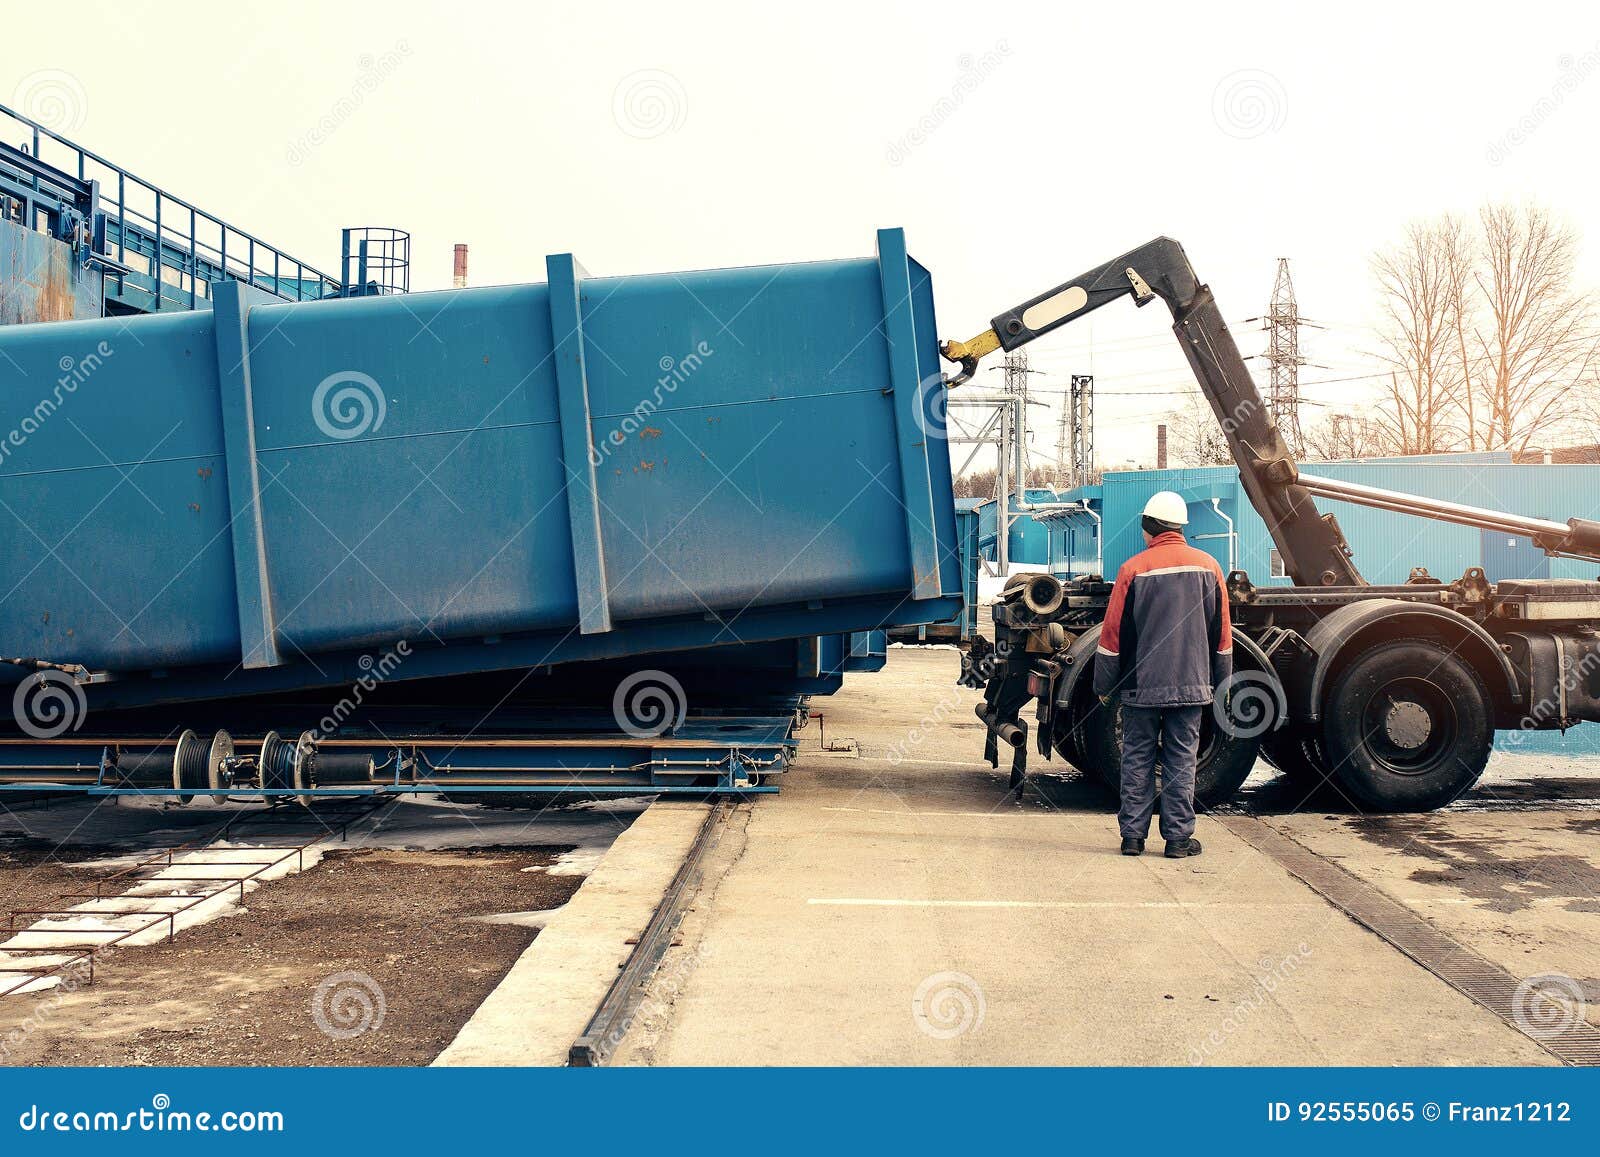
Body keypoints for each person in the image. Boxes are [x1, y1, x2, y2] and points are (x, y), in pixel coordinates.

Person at [1091, 491, 1231, 859]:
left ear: (1148, 527)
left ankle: (1133, 838)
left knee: (1136, 756)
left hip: (1141, 686)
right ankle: (1178, 839)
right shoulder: (1210, 567)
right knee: (1181, 758)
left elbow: (1112, 635)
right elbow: (1222, 634)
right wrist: (1221, 681)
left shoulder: (1133, 570)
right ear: (1180, 527)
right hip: (1192, 684)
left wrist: (1104, 685)